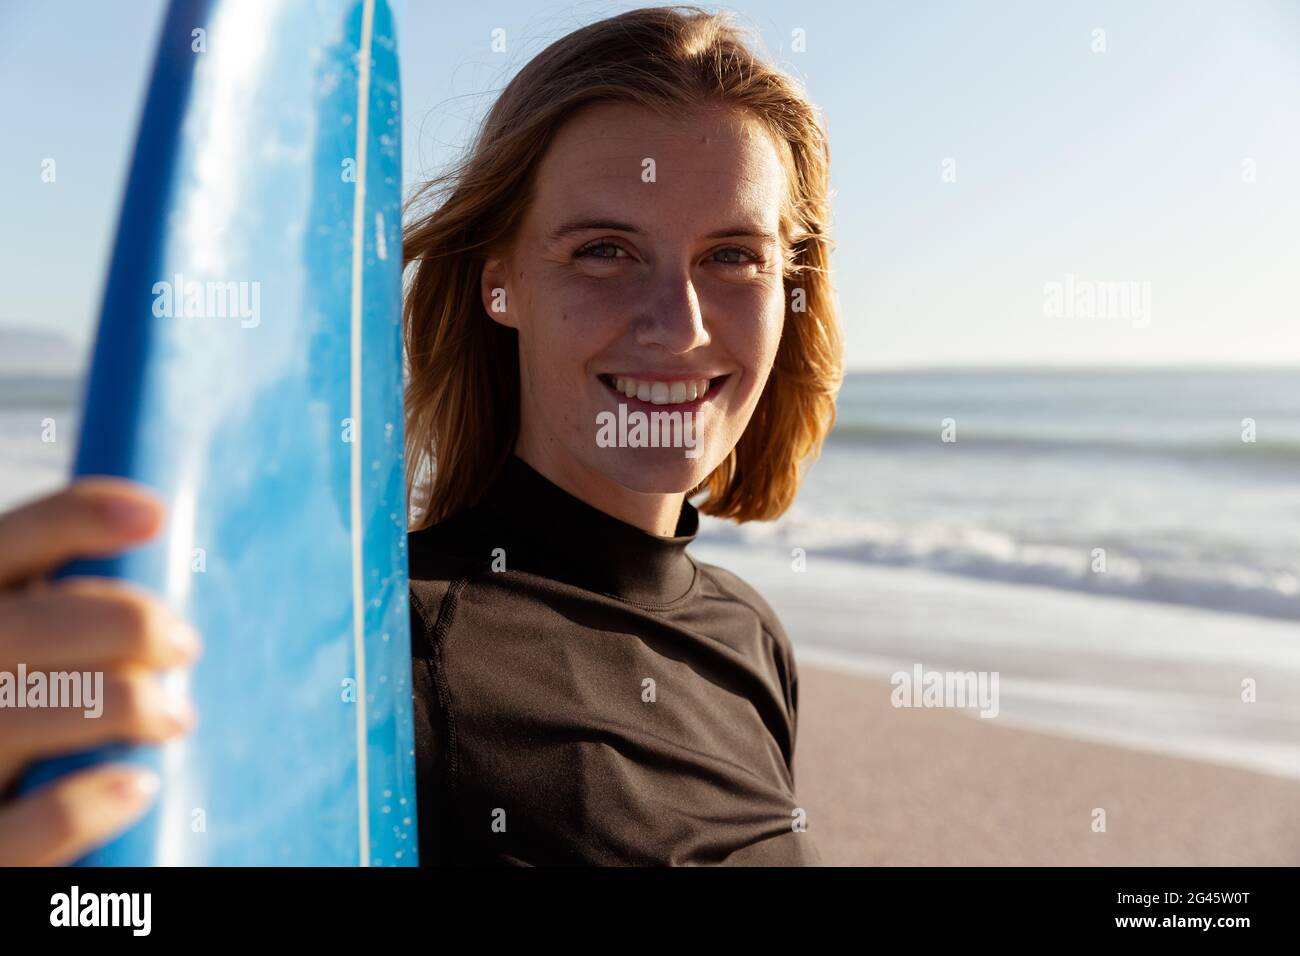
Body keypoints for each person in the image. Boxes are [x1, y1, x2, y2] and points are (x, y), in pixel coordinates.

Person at [0, 5, 840, 866]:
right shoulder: (379, 648)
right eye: (603, 250)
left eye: (733, 255)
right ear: (498, 283)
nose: (678, 324)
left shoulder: (749, 636)